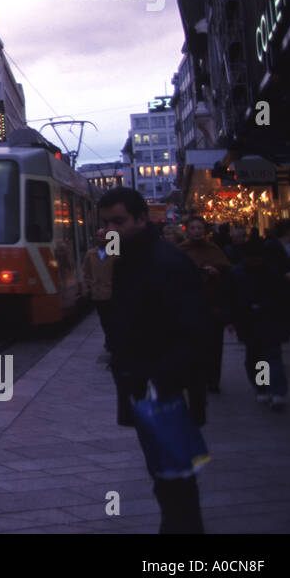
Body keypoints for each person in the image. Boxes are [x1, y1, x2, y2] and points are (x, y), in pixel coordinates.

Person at [97, 187, 210, 534]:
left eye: (119, 221)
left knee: (174, 471)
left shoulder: (164, 261)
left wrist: (160, 380)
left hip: (165, 387)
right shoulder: (129, 256)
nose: (110, 230)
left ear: (143, 219)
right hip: (146, 382)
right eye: (105, 223)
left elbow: (194, 330)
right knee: (165, 470)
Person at [229, 239, 290, 409]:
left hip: (268, 319)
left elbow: (283, 298)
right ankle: (264, 389)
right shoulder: (240, 273)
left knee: (269, 356)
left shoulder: (269, 272)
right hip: (251, 320)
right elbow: (233, 299)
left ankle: (275, 391)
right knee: (258, 357)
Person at [180, 216, 233, 393]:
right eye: (193, 228)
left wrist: (216, 272)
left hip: (212, 304)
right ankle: (197, 377)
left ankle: (213, 379)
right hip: (190, 305)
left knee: (214, 345)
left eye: (199, 228)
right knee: (194, 345)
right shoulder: (181, 250)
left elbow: (227, 273)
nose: (197, 232)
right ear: (188, 230)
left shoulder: (214, 249)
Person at [264, 219, 290, 376]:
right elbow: (268, 269)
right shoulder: (271, 246)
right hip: (279, 294)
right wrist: (283, 276)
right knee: (281, 328)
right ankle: (273, 366)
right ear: (288, 230)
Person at [82, 224, 116, 363]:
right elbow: (86, 272)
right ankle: (110, 343)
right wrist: (90, 285)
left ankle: (112, 345)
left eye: (103, 236)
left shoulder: (116, 254)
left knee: (113, 321)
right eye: (98, 236)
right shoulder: (91, 254)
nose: (100, 238)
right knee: (104, 321)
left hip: (113, 294)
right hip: (98, 294)